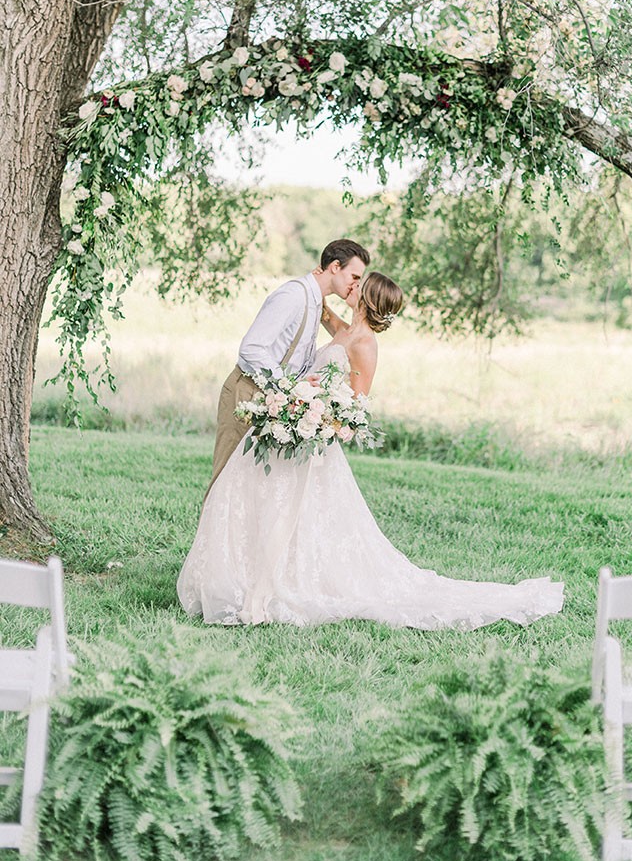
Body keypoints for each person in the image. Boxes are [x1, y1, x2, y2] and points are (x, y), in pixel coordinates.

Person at [177, 271, 564, 630]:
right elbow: (318, 307)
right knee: (276, 507)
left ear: (365, 298)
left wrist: (317, 413)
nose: (353, 285)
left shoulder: (365, 344)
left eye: (358, 283)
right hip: (297, 429)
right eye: (353, 277)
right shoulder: (345, 331)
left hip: (315, 441)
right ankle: (255, 573)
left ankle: (287, 581)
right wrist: (318, 284)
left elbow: (355, 407)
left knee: (302, 517)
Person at [206, 238, 370, 495]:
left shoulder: (317, 301)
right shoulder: (293, 296)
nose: (356, 285)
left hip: (274, 401)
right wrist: (290, 384)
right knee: (227, 483)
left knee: (255, 489)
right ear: (335, 267)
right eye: (354, 276)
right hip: (246, 392)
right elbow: (251, 348)